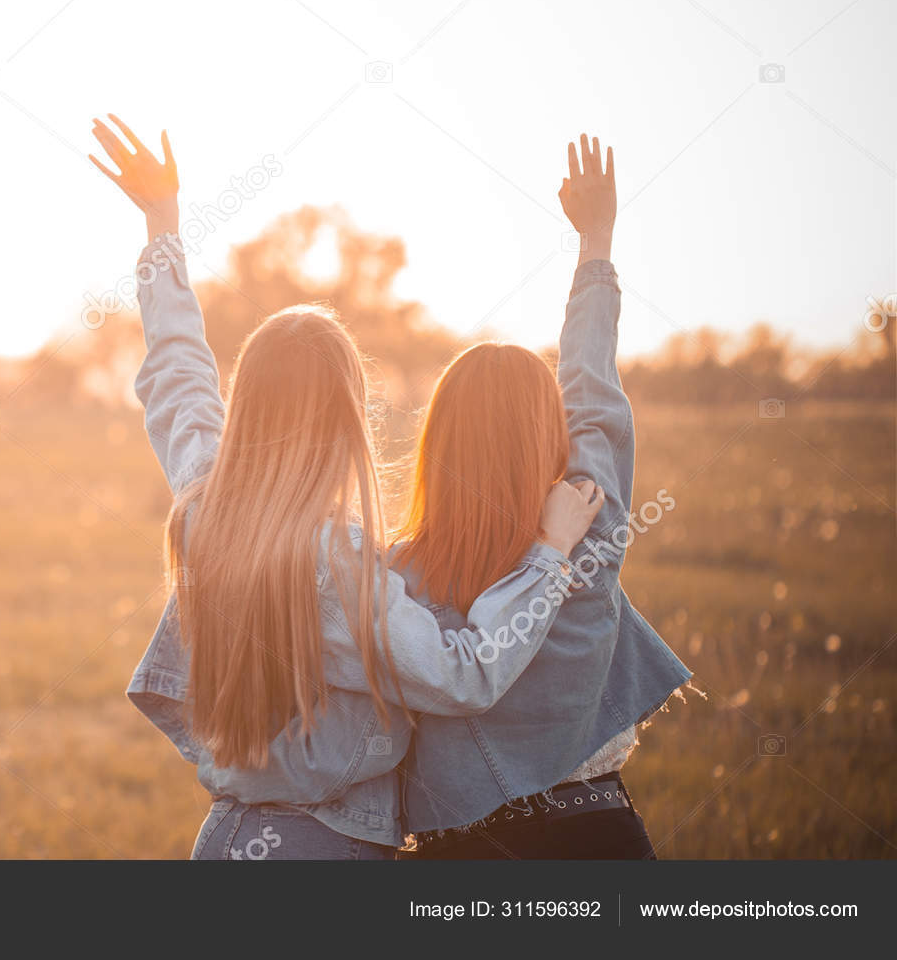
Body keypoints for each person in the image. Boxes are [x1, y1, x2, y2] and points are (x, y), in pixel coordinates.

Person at [88, 115, 605, 859]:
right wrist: (550, 550)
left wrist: (161, 222)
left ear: (250, 404)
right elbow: (463, 673)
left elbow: (177, 371)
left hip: (225, 839)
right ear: (343, 421)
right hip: (324, 846)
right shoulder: (337, 561)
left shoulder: (206, 504)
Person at [398, 134, 691, 859]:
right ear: (549, 435)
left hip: (461, 855)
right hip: (597, 836)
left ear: (438, 445)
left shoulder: (398, 576)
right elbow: (593, 388)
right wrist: (596, 240)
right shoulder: (587, 521)